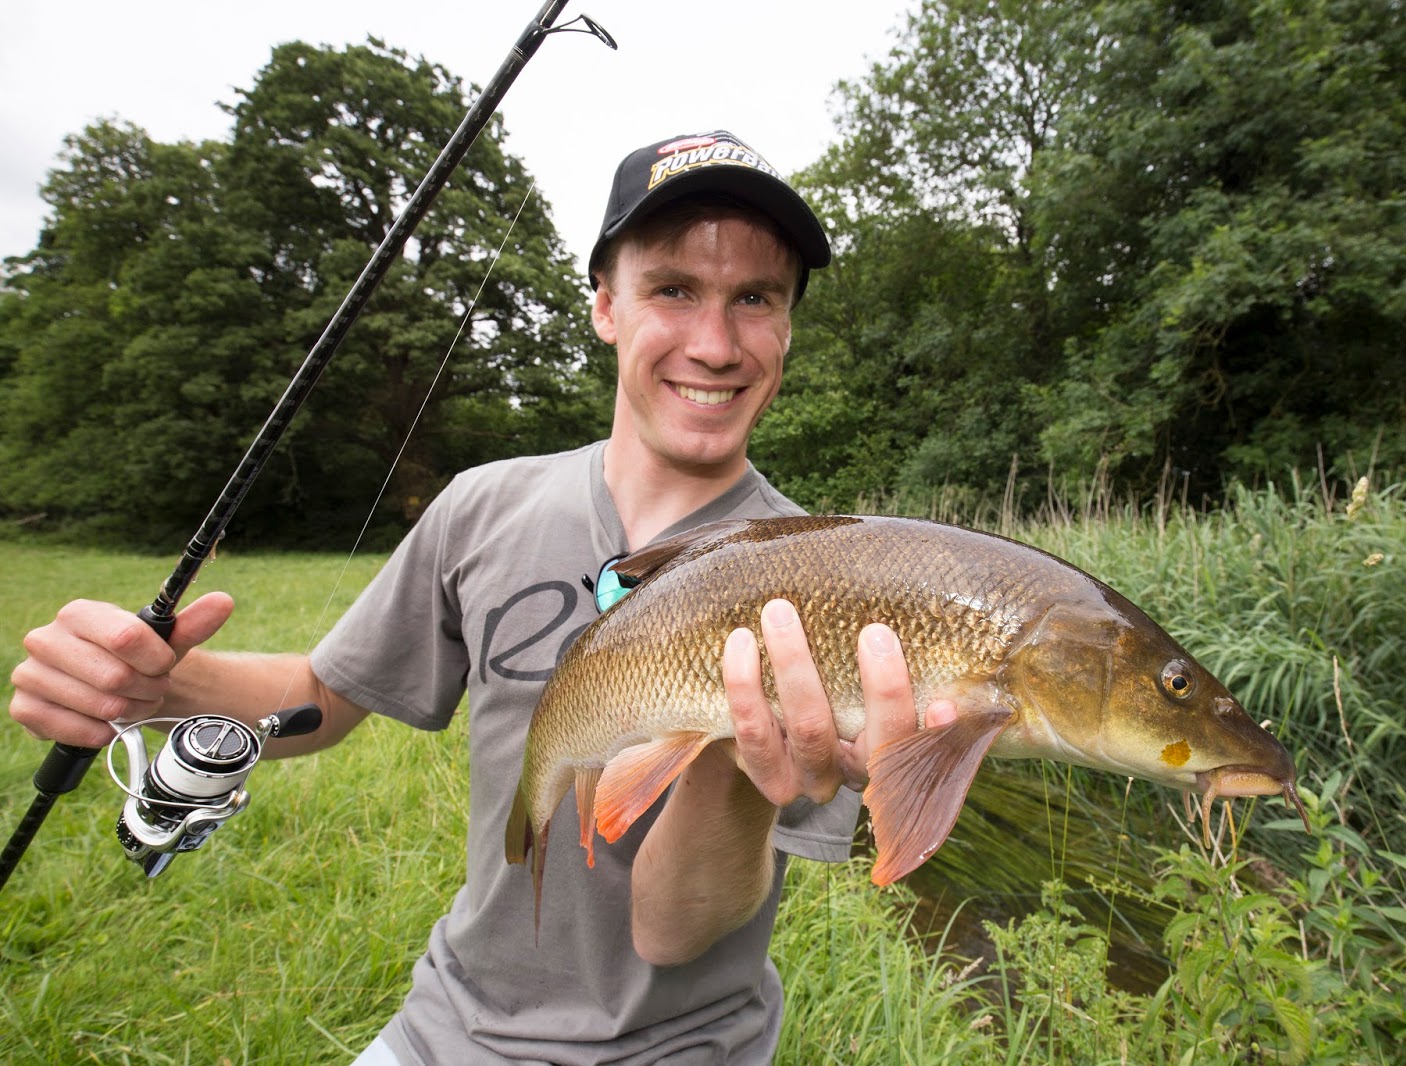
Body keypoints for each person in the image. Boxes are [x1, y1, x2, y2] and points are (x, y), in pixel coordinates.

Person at [8, 130, 953, 1065]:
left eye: (755, 298)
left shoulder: (838, 582)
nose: (714, 344)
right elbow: (327, 697)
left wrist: (732, 760)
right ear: (606, 306)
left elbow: (674, 933)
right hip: (444, 1031)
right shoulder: (482, 505)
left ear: (786, 329)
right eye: (673, 289)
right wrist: (159, 688)